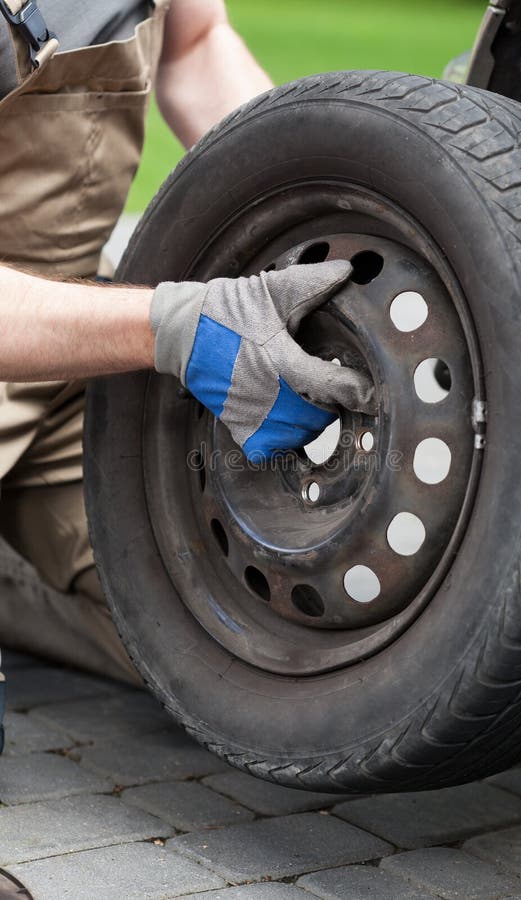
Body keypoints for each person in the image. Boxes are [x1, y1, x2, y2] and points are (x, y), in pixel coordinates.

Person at [0, 0, 373, 715]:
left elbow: (197, 45)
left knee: (217, 636)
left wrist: (318, 214)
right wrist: (174, 326)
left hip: (66, 341)